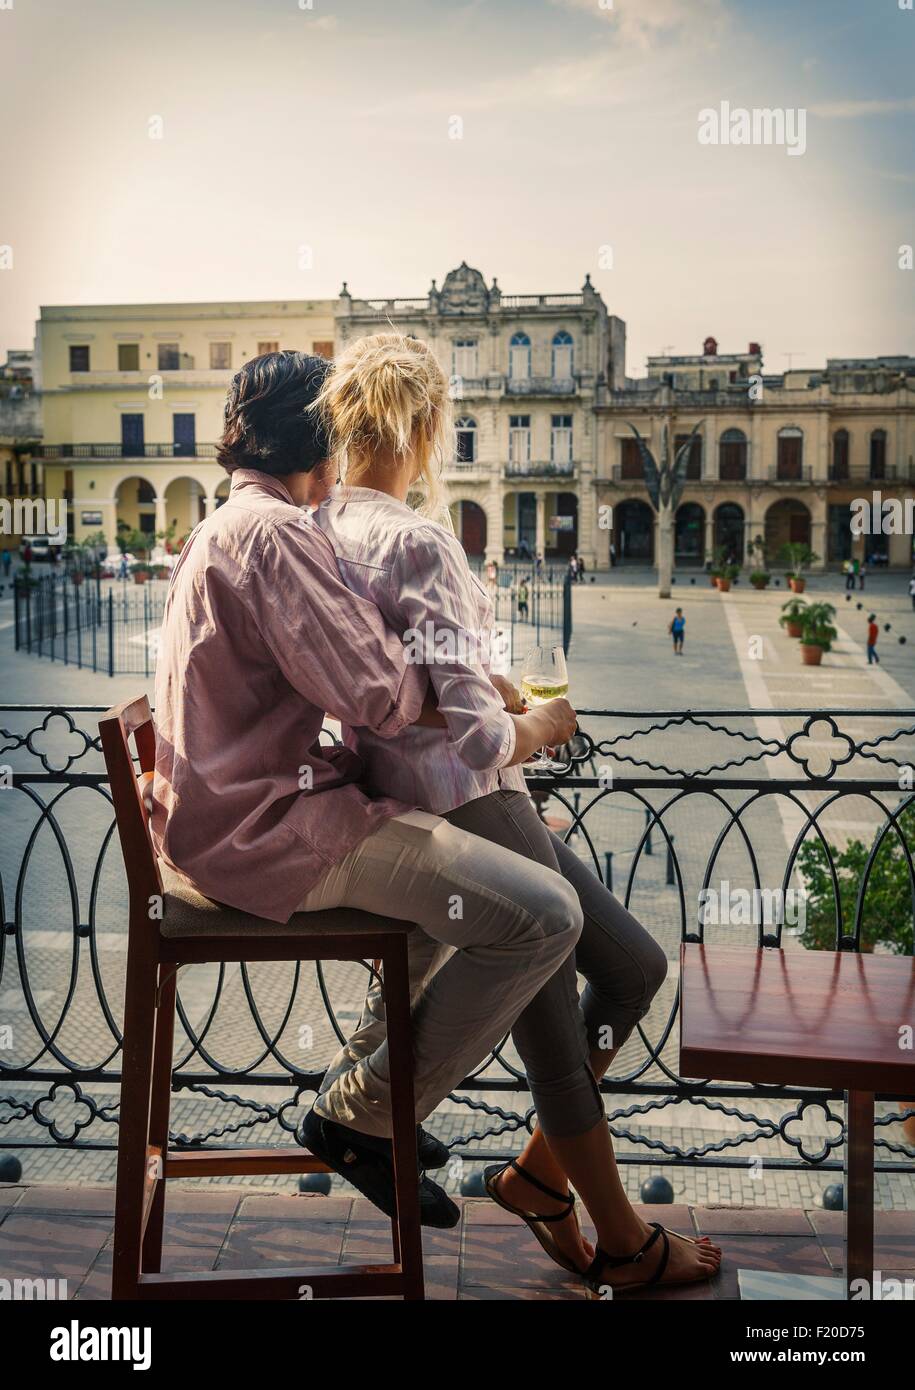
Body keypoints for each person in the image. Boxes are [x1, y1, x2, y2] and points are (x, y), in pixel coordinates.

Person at [311, 332, 721, 1295]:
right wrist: (542, 719)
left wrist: (481, 690)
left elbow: (391, 689)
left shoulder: (321, 531)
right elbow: (481, 740)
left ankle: (541, 1178)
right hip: (477, 800)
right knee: (581, 1006)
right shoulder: (417, 539)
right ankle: (616, 1236)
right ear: (422, 426)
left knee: (632, 970)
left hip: (429, 809)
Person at [152, 351, 583, 1231]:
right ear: (324, 443)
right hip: (264, 834)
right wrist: (492, 697)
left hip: (231, 816)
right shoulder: (275, 536)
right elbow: (376, 695)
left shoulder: (225, 523)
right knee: (547, 917)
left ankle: (371, 1106)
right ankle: (360, 1114)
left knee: (442, 893)